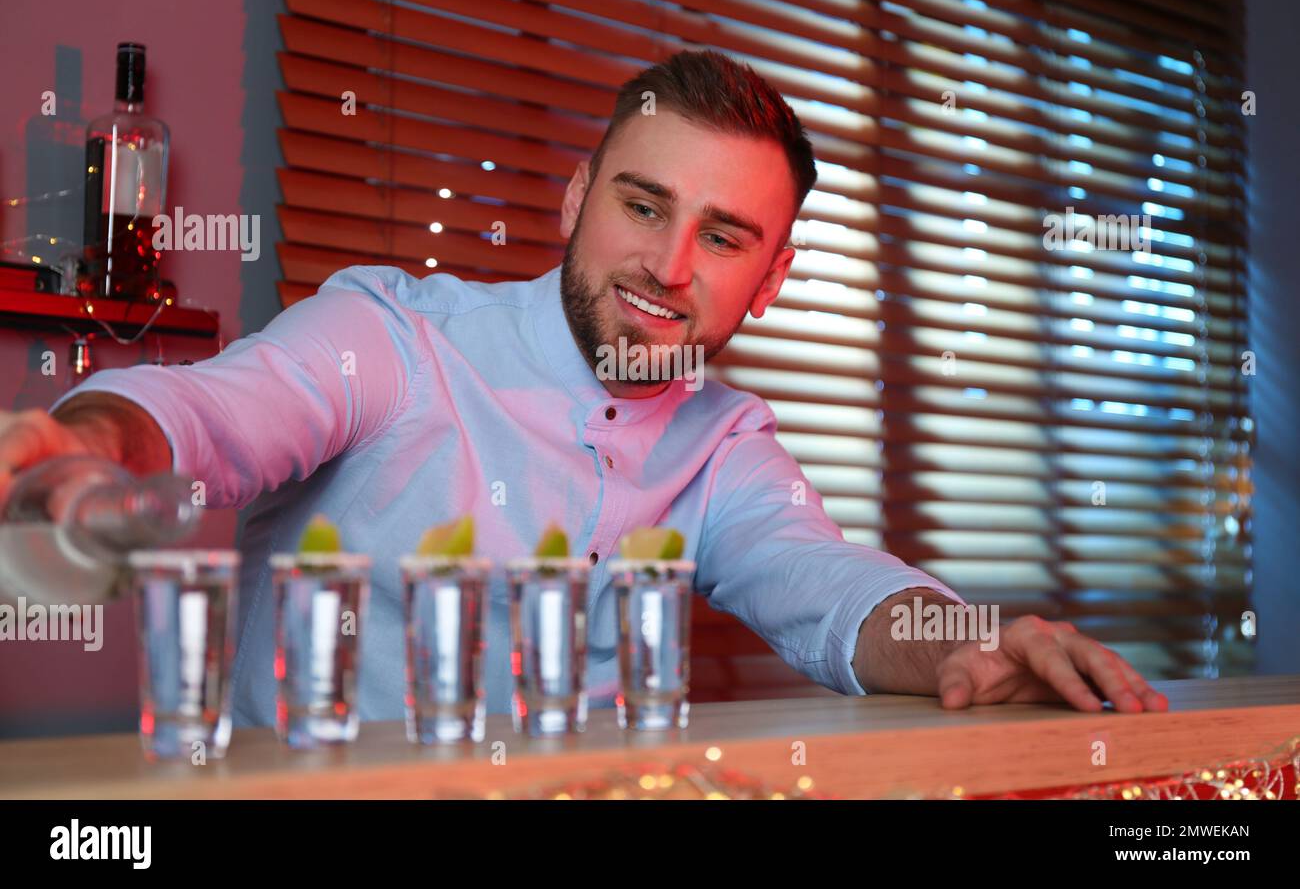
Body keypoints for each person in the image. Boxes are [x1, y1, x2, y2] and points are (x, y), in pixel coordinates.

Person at [0, 50, 1167, 724]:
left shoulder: (724, 446)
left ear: (770, 277)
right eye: (642, 206)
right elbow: (208, 414)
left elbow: (833, 586)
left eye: (724, 236)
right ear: (575, 201)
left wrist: (981, 634)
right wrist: (85, 441)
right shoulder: (395, 336)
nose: (666, 268)